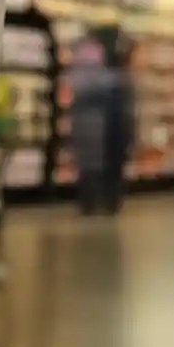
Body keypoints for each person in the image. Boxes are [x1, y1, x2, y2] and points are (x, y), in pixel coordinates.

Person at [67, 27, 135, 215]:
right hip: (98, 116)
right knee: (101, 160)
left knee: (100, 159)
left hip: (100, 117)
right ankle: (101, 200)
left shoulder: (93, 56)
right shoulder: (97, 58)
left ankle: (98, 200)